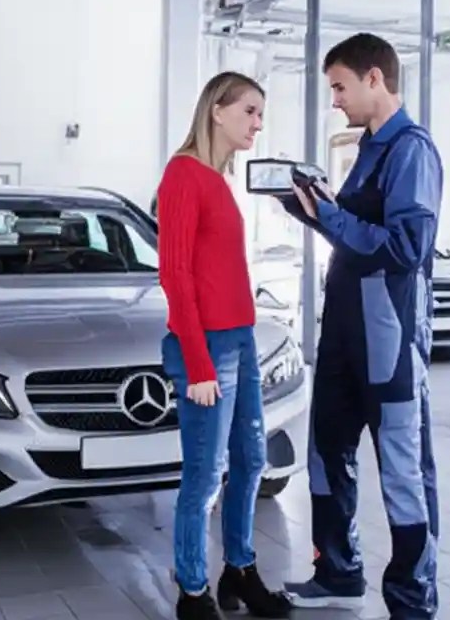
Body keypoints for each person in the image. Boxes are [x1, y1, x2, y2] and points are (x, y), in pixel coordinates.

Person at [279, 33, 443, 619]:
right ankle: (339, 572)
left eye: (340, 87)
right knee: (327, 452)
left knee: (402, 469)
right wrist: (313, 212)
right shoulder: (371, 148)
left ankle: (412, 601)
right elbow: (354, 232)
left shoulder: (412, 150)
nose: (336, 100)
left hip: (389, 340)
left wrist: (332, 216)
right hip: (344, 337)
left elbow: (405, 246)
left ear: (375, 79)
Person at [156, 70, 294, 620]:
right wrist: (198, 365)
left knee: (252, 459)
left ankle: (239, 569)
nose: (258, 123)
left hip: (240, 339)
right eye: (249, 111)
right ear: (216, 110)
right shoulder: (183, 175)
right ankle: (193, 592)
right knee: (205, 474)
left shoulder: (218, 180)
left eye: (261, 114)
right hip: (208, 348)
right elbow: (175, 275)